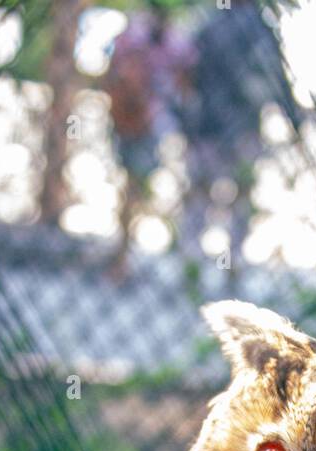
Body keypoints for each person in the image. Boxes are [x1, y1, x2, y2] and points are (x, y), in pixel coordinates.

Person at [182, 1, 299, 274]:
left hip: (220, 125)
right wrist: (294, 119)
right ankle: (223, 260)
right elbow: (277, 76)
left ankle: (200, 261)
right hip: (228, 125)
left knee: (211, 192)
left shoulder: (220, 24)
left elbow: (189, 75)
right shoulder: (241, 26)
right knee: (231, 194)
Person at [105, 0, 194, 273]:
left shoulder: (176, 42)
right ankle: (124, 251)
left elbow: (185, 84)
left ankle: (126, 252)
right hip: (128, 120)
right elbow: (112, 74)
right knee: (131, 185)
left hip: (152, 125)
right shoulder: (134, 34)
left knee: (136, 185)